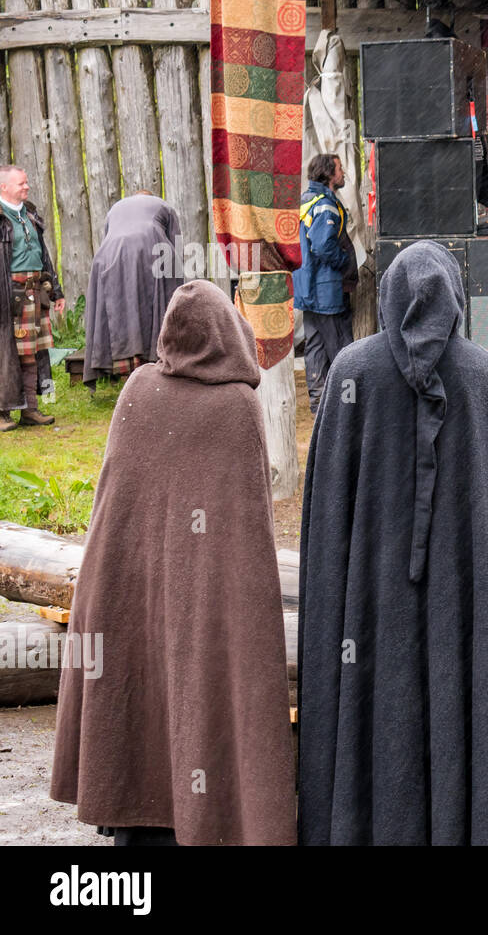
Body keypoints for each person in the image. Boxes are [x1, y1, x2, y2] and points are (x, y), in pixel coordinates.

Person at [298, 241, 488, 845]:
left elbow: (325, 538)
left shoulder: (350, 373)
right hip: (457, 619)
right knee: (464, 695)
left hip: (366, 620)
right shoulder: (481, 375)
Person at [50, 280, 296, 845]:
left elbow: (116, 519)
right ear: (228, 334)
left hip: (132, 599)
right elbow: (246, 540)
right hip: (206, 608)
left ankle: (134, 813)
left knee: (142, 686)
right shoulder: (237, 405)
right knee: (200, 688)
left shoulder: (138, 388)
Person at [81, 192, 185, 391]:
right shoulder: (163, 205)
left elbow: (107, 234)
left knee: (120, 308)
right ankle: (156, 368)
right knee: (156, 306)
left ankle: (129, 375)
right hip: (150, 248)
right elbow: (175, 244)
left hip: (107, 255)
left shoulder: (115, 208)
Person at [0, 165, 63, 429]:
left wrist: (56, 291)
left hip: (34, 291)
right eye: (21, 184)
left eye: (26, 182)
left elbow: (43, 254)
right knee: (5, 353)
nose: (26, 187)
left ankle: (30, 410)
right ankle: (2, 413)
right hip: (7, 292)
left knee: (32, 352)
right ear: (3, 187)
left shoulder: (31, 214)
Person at [294, 152, 358, 414]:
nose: (343, 174)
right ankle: (347, 403)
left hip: (309, 289)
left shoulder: (306, 200)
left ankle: (318, 402)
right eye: (340, 169)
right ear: (329, 174)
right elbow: (322, 245)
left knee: (316, 345)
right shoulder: (325, 205)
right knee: (341, 348)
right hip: (326, 291)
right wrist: (344, 261)